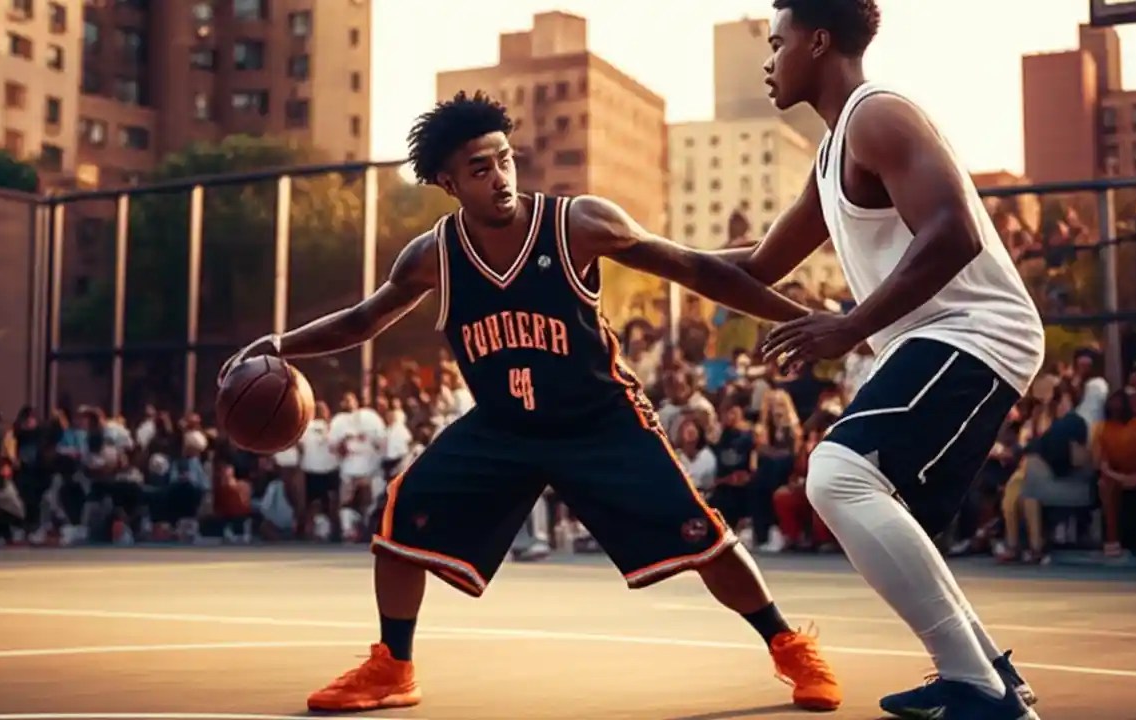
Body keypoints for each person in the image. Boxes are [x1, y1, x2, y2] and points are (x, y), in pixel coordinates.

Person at [220, 91, 840, 713]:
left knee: (702, 538)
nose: (500, 179)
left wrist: (813, 323)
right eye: (480, 169)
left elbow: (698, 270)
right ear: (449, 183)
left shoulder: (579, 223)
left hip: (600, 421)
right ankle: (393, 667)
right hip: (503, 428)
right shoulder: (433, 255)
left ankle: (789, 646)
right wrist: (277, 344)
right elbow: (361, 321)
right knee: (399, 517)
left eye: (505, 160)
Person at [711, 1, 1045, 718]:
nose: (768, 61)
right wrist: (632, 255)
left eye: (777, 43)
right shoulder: (833, 154)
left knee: (838, 472)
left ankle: (975, 683)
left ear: (818, 41)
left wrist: (849, 326)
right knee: (857, 486)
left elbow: (953, 232)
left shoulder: (878, 115)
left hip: (975, 327)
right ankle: (984, 672)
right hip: (935, 337)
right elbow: (758, 265)